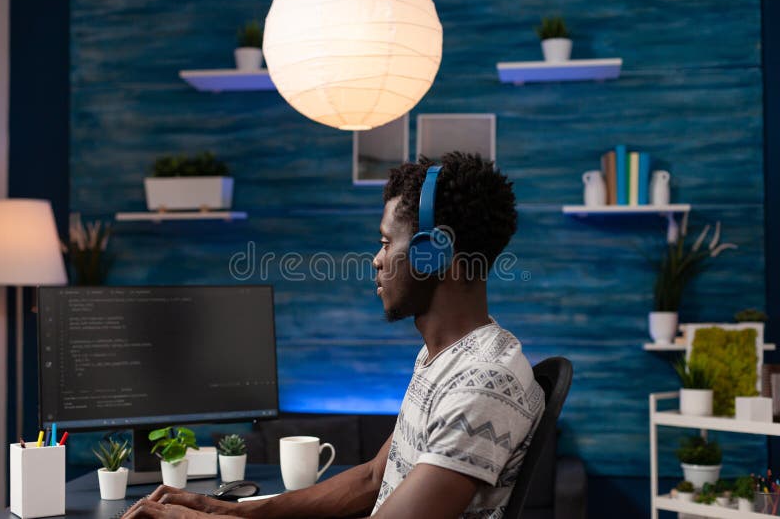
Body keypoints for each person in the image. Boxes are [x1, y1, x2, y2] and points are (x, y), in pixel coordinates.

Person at [123, 152, 545, 519]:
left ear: (433, 253)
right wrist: (225, 508)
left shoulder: (481, 381)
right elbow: (372, 478)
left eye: (385, 242)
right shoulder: (446, 358)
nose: (377, 260)